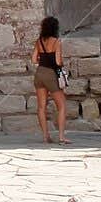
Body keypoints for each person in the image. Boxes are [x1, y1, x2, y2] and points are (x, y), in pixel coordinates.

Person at [30, 15, 68, 145]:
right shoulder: (56, 42)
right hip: (51, 74)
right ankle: (62, 137)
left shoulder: (39, 41)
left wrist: (43, 59)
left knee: (41, 107)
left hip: (39, 73)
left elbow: (34, 60)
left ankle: (46, 136)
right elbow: (58, 61)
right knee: (61, 105)